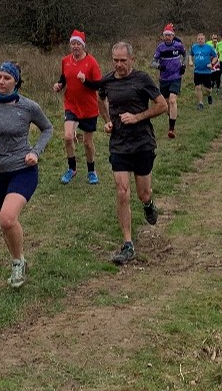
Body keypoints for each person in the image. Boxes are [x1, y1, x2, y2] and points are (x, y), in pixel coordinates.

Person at [0, 61, 54, 289]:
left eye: (7, 78)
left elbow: (48, 128)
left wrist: (36, 152)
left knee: (7, 218)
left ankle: (17, 265)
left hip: (22, 169)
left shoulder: (28, 106)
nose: (1, 82)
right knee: (5, 223)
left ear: (16, 82)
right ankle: (21, 259)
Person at [97, 41, 169, 265]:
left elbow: (162, 105)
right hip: (119, 143)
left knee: (143, 193)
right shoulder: (107, 80)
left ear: (131, 60)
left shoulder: (142, 79)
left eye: (123, 61)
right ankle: (128, 244)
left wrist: (137, 117)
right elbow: (100, 99)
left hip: (142, 142)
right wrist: (108, 121)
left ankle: (148, 205)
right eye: (115, 60)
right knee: (122, 192)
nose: (119, 65)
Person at [53, 30, 102, 184]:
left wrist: (85, 81)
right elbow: (64, 77)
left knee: (87, 143)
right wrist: (59, 85)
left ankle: (91, 171)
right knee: (68, 137)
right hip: (71, 104)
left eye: (78, 44)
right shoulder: (65, 60)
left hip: (88, 107)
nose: (75, 46)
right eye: (73, 44)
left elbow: (97, 85)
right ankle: (72, 169)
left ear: (83, 45)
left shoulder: (91, 62)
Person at [152, 24, 185, 139]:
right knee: (167, 105)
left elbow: (184, 55)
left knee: (172, 100)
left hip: (176, 77)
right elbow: (153, 62)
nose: (167, 37)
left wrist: (183, 65)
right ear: (163, 36)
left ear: (173, 35)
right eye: (165, 35)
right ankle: (172, 117)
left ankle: (171, 129)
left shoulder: (178, 46)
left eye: (169, 35)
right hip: (164, 79)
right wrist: (159, 67)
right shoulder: (160, 48)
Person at [189, 32, 218, 110]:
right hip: (197, 71)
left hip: (206, 71)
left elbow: (215, 57)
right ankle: (200, 103)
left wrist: (212, 64)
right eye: (199, 39)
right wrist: (190, 61)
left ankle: (209, 95)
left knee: (207, 89)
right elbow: (190, 54)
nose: (200, 40)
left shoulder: (209, 47)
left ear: (204, 39)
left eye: (202, 39)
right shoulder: (194, 47)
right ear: (197, 39)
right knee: (198, 87)